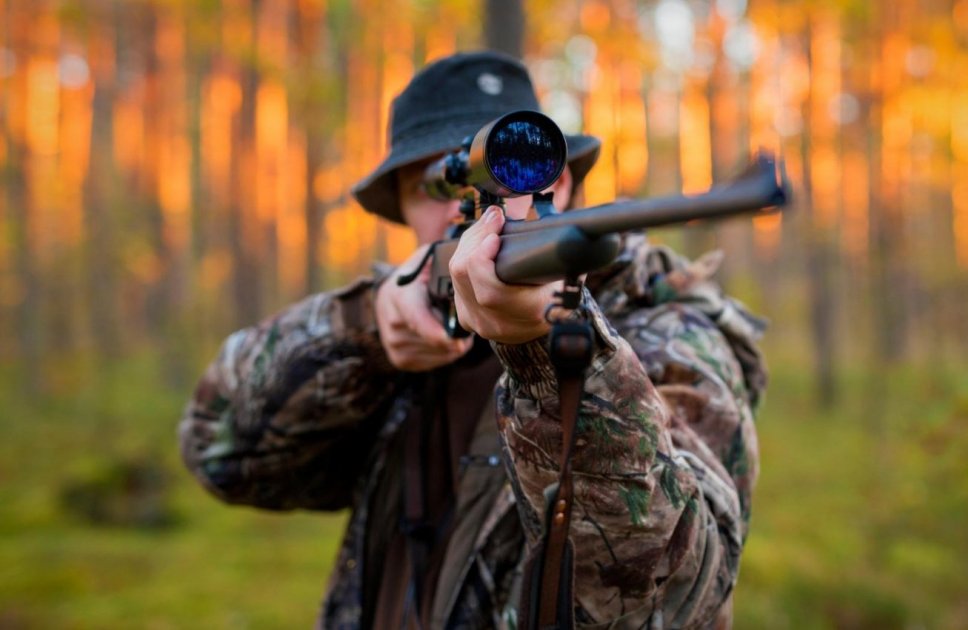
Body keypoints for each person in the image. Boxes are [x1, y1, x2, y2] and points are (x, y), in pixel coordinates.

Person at [179, 51, 766, 629]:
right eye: (431, 187)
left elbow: (670, 601)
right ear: (403, 207)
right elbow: (219, 451)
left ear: (557, 180)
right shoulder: (395, 322)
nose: (467, 211)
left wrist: (547, 353)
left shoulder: (670, 329)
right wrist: (366, 330)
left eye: (505, 172)